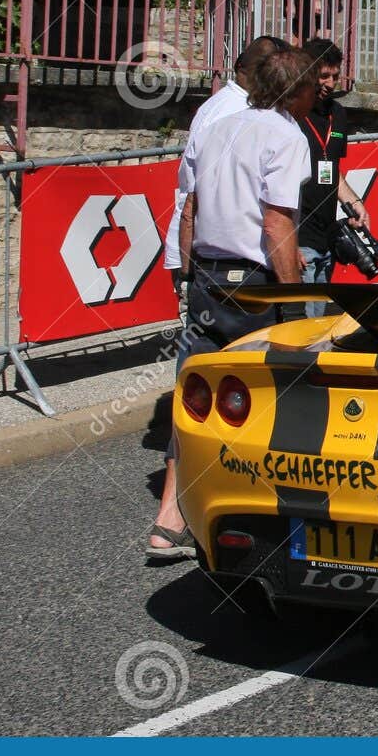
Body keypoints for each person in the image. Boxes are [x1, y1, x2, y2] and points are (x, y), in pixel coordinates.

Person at [147, 47, 320, 559]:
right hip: (256, 285)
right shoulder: (287, 135)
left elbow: (191, 209)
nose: (321, 94)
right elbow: (276, 223)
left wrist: (187, 276)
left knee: (199, 399)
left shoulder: (220, 126)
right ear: (297, 91)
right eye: (315, 86)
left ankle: (171, 520)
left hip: (207, 277)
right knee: (280, 401)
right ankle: (277, 522)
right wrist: (291, 301)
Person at [162, 35, 288, 287]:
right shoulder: (234, 111)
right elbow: (193, 198)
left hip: (212, 253)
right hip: (220, 257)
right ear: (241, 67)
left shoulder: (230, 107)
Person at [296, 39, 371, 320]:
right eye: (324, 76)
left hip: (326, 235)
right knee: (301, 326)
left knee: (318, 322)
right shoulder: (293, 113)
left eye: (335, 76)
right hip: (299, 236)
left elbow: (332, 169)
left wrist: (355, 202)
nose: (330, 83)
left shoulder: (337, 113)